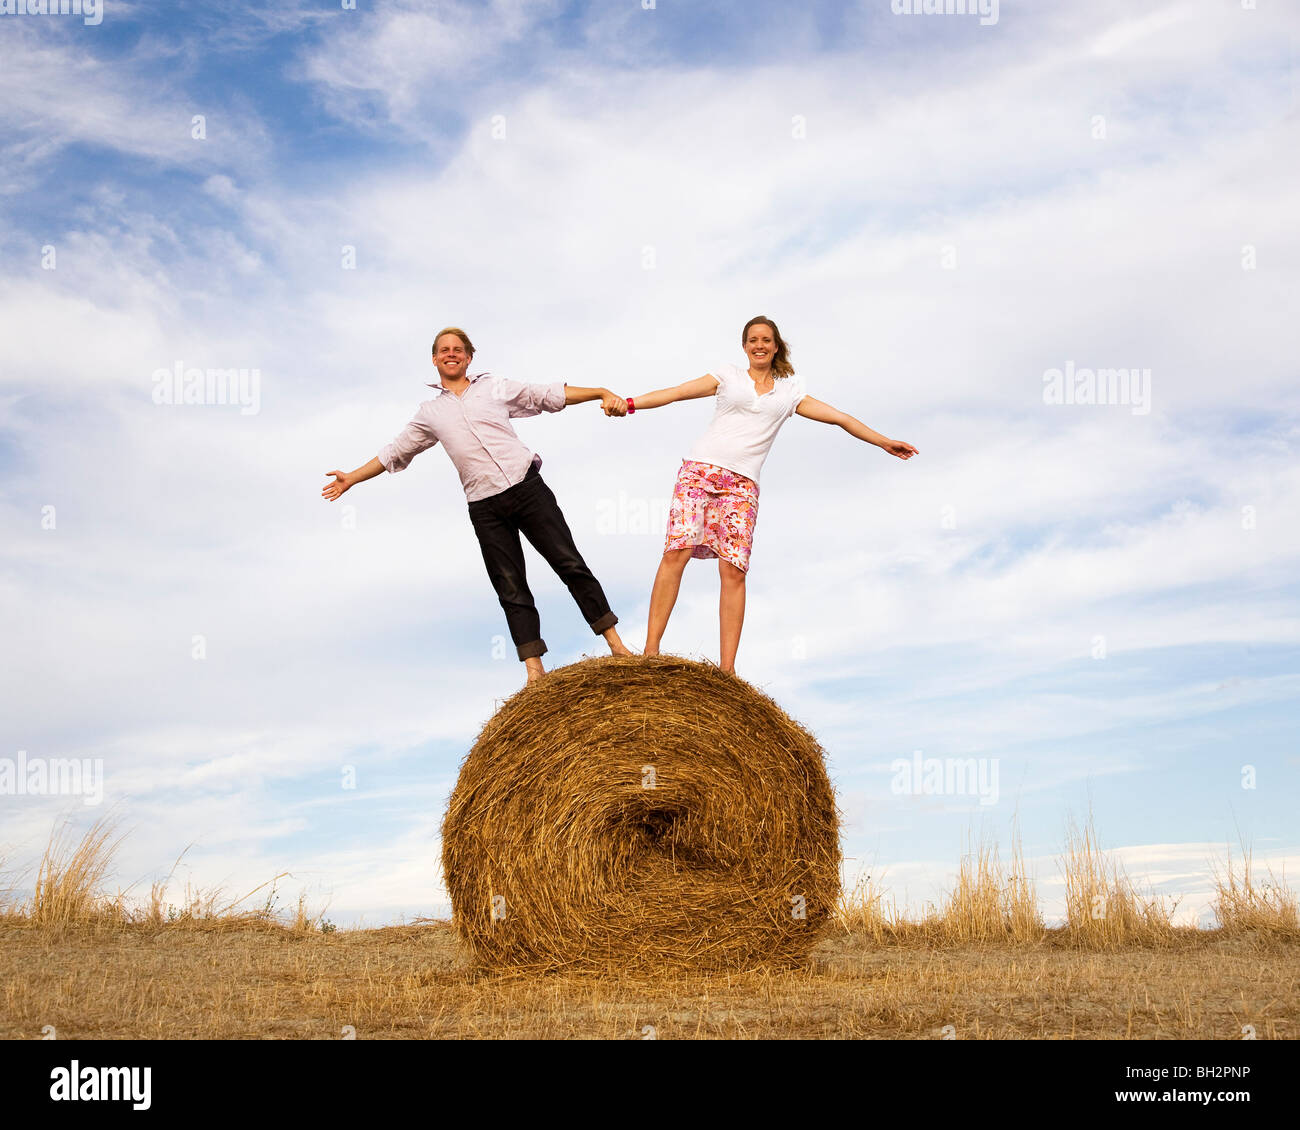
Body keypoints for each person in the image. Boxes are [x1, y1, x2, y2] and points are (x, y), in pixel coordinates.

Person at [322, 327, 633, 684]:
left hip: (527, 489)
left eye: (458, 349)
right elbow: (395, 452)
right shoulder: (430, 413)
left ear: (469, 357)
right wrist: (353, 478)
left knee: (569, 563)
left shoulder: (493, 387)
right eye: (443, 350)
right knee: (511, 586)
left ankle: (615, 644)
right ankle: (535, 672)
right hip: (485, 507)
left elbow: (545, 395)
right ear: (435, 359)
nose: (451, 354)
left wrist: (599, 392)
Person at [621, 314, 918, 674]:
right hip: (699, 472)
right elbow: (677, 393)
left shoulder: (789, 392)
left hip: (743, 485)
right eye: (752, 340)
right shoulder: (727, 376)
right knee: (677, 552)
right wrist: (631, 403)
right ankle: (650, 651)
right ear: (744, 347)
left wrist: (884, 441)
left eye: (765, 340)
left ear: (776, 346)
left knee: (734, 571)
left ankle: (727, 670)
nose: (759, 346)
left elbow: (840, 417)